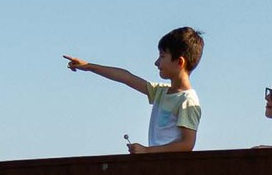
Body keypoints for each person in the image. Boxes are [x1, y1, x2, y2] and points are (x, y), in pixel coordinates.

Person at [64, 27, 204, 154]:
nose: (156, 62)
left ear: (180, 62)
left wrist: (148, 151)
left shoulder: (187, 100)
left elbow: (187, 144)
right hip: (158, 165)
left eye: (162, 56)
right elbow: (127, 77)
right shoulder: (161, 92)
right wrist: (89, 66)